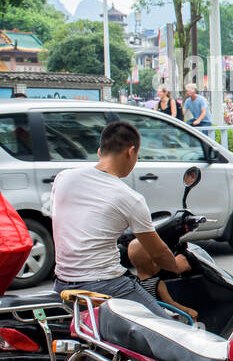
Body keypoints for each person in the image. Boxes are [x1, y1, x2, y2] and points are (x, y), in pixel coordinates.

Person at [50, 121, 190, 319]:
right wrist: (178, 265)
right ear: (131, 152)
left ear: (100, 152)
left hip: (62, 284)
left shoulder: (63, 178)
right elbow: (158, 252)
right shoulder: (129, 198)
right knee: (168, 328)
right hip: (106, 285)